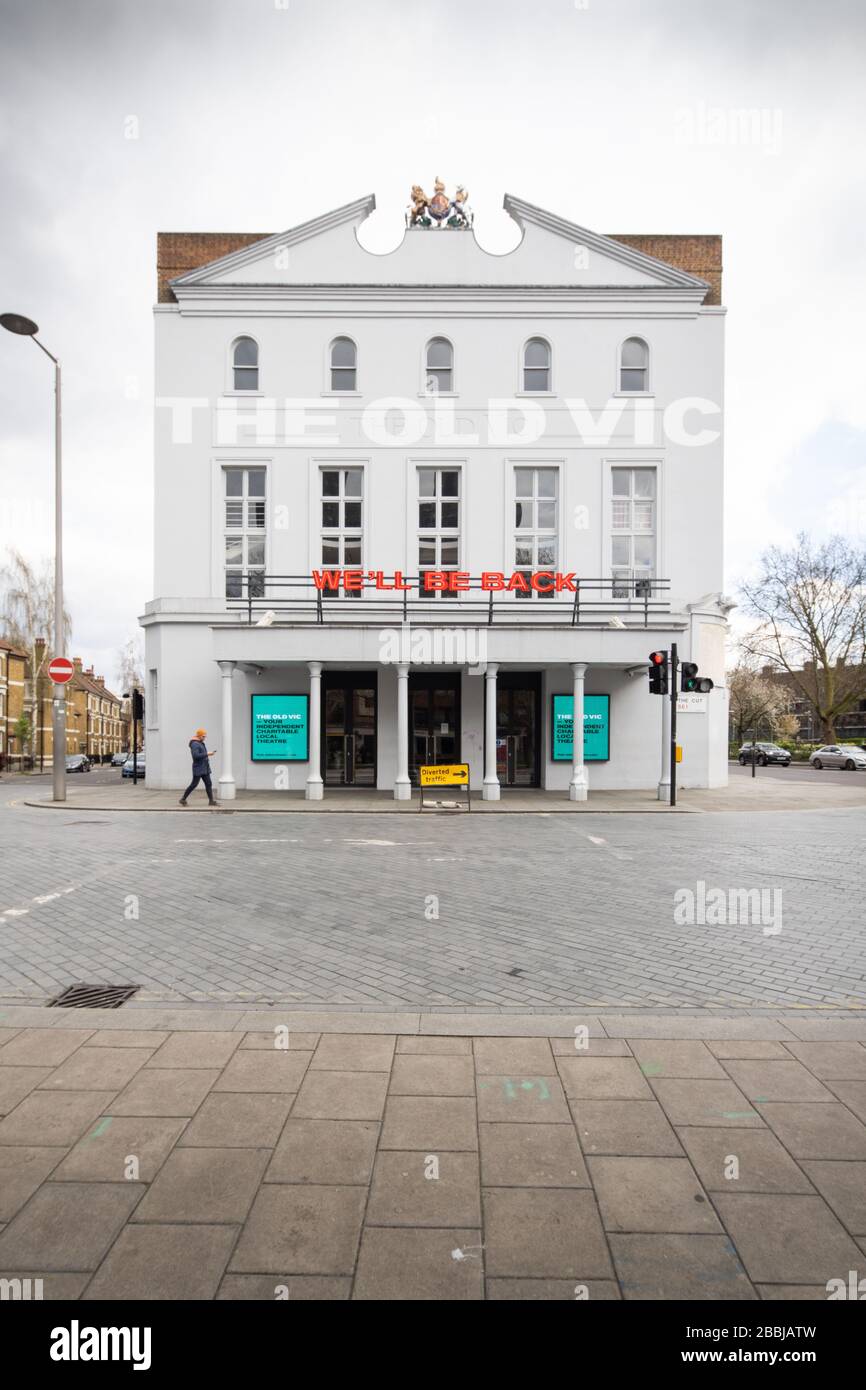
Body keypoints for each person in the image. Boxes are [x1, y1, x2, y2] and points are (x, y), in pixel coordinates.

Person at [180, 728, 218, 806]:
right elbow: (196, 756)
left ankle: (211, 801)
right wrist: (207, 754)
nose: (204, 738)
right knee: (194, 784)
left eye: (205, 736)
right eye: (203, 736)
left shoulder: (200, 743)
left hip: (205, 767)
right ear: (199, 736)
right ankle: (183, 799)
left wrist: (208, 754)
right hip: (198, 768)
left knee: (208, 783)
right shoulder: (195, 744)